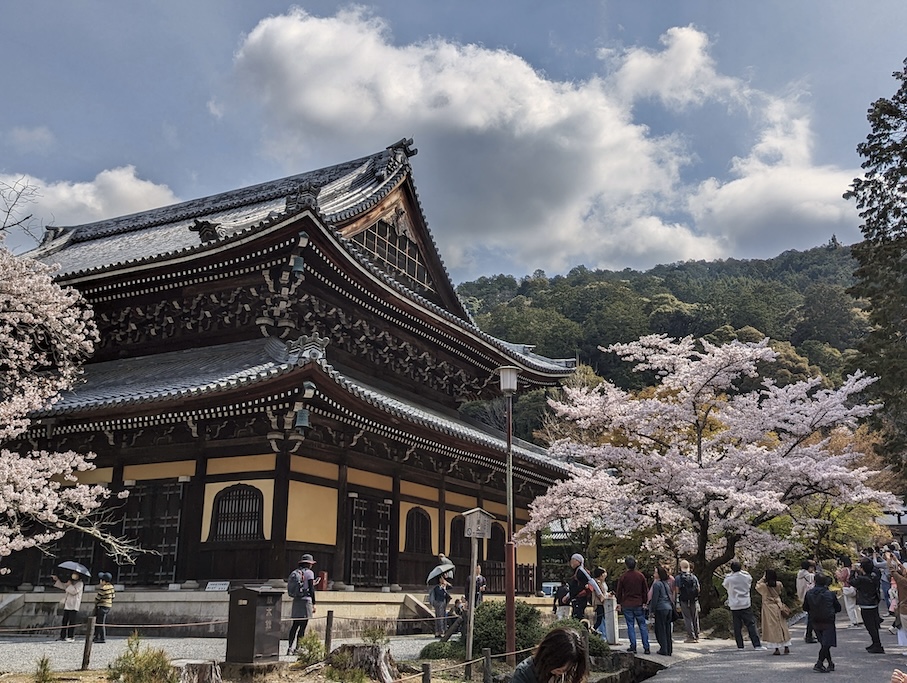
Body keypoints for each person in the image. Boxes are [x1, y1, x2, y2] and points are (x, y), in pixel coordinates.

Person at [510, 627, 589, 683]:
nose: (560, 674)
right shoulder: (524, 674)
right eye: (558, 670)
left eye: (565, 671)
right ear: (549, 658)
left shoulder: (569, 674)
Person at [803, 572, 841, 673]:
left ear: (814, 581)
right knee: (826, 643)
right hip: (828, 620)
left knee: (824, 643)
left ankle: (830, 663)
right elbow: (838, 608)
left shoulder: (809, 593)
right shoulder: (830, 594)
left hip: (815, 620)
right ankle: (819, 663)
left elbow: (805, 607)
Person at [722, 560, 765, 651]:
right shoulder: (746, 577)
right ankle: (757, 645)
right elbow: (750, 580)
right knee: (751, 624)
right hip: (745, 603)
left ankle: (740, 646)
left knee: (737, 626)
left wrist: (729, 575)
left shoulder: (729, 579)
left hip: (734, 605)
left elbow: (725, 585)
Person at [616, 555, 650, 655]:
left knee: (630, 625)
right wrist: (644, 601)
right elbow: (645, 590)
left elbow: (619, 592)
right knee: (642, 625)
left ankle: (633, 646)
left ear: (626, 565)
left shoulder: (623, 577)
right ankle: (646, 647)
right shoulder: (640, 576)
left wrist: (619, 602)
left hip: (627, 604)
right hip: (639, 603)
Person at [850, 557, 885, 653]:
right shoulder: (875, 576)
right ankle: (875, 643)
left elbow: (851, 581)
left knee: (870, 626)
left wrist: (853, 571)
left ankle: (877, 645)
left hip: (866, 604)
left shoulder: (861, 579)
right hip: (874, 602)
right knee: (873, 625)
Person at [286, 553, 317, 655]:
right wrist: (314, 603)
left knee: (294, 625)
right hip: (306, 600)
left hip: (297, 600)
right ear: (309, 564)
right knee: (303, 627)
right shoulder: (310, 573)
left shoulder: (295, 572)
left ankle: (289, 647)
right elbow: (311, 589)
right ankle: (298, 648)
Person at [755, 568, 791, 655]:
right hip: (779, 605)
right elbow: (780, 592)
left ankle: (777, 648)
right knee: (782, 625)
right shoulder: (778, 584)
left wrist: (762, 578)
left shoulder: (763, 586)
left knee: (773, 626)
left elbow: (757, 586)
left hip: (769, 606)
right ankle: (786, 646)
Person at [562, 553, 603, 620]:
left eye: (573, 560)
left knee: (578, 617)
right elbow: (574, 587)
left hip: (580, 598)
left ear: (578, 561)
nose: (571, 562)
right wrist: (567, 596)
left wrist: (600, 594)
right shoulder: (576, 571)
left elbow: (591, 580)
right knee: (575, 617)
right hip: (575, 599)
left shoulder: (581, 570)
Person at [52, 571, 84, 641]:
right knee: (64, 621)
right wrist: (57, 580)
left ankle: (71, 636)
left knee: (72, 621)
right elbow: (64, 586)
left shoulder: (80, 583)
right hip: (67, 604)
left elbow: (74, 591)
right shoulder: (71, 582)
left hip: (74, 605)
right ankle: (62, 636)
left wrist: (69, 585)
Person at [649, 566, 674, 656]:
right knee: (667, 629)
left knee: (660, 629)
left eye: (655, 572)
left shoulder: (657, 584)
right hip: (669, 608)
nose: (654, 574)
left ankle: (663, 648)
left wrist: (652, 610)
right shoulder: (666, 583)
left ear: (659, 574)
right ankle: (669, 649)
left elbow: (655, 598)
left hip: (660, 608)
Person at [674, 560, 701, 643]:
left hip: (684, 600)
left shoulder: (678, 578)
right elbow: (698, 589)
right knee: (695, 617)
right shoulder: (694, 577)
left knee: (687, 618)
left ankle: (690, 636)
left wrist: (677, 600)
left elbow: (677, 590)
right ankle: (697, 635)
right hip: (693, 600)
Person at [836, 557, 861, 628]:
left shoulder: (845, 569)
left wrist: (838, 573)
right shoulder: (853, 569)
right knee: (855, 605)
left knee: (849, 606)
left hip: (847, 588)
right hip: (853, 588)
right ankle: (858, 620)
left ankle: (853, 622)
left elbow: (842, 578)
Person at [796, 559, 817, 643]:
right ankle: (808, 635)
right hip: (809, 597)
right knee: (811, 617)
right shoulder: (809, 576)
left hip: (802, 596)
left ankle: (810, 634)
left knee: (808, 615)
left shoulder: (799, 574)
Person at [93, 572, 115, 643]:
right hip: (108, 606)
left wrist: (96, 603)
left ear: (104, 581)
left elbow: (97, 598)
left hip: (102, 606)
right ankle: (97, 637)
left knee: (100, 622)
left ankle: (102, 638)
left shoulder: (103, 588)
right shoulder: (111, 587)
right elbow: (113, 596)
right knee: (100, 621)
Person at [890, 562, 907, 649]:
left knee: (904, 630)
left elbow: (893, 571)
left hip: (904, 610)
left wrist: (889, 560)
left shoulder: (902, 581)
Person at [590, 567, 609, 641]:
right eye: (604, 573)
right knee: (599, 620)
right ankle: (594, 632)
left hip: (603, 603)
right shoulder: (597, 582)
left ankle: (602, 634)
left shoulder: (602, 582)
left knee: (602, 619)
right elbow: (600, 593)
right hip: (599, 603)